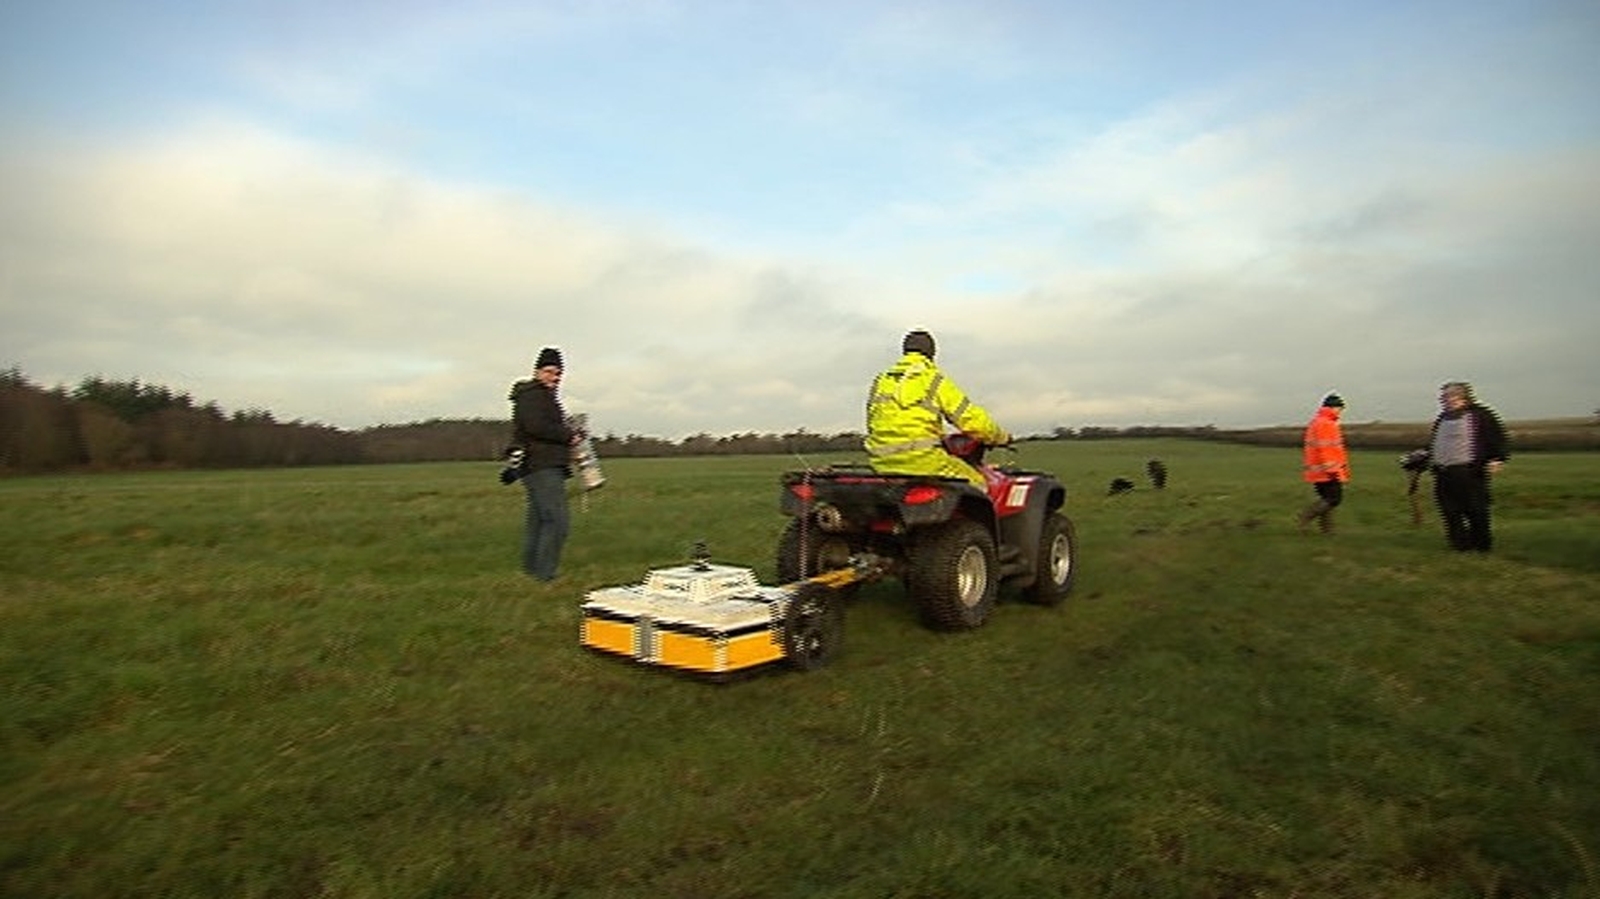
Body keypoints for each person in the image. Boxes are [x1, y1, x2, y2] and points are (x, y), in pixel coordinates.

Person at [864, 329, 1009, 487]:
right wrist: (1001, 437)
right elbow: (972, 420)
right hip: (924, 462)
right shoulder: (933, 379)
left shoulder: (881, 381)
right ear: (932, 353)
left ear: (904, 351)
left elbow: (872, 421)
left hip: (881, 465)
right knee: (980, 484)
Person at [509, 346, 578, 581]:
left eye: (558, 373)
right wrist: (568, 435)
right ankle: (546, 574)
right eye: (549, 372)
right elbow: (536, 426)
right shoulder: (533, 396)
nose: (554, 378)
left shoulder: (541, 396)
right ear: (537, 371)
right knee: (557, 521)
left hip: (538, 465)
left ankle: (532, 571)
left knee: (539, 521)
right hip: (541, 466)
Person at [1428, 381, 1509, 552]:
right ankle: (1460, 546)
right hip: (1444, 473)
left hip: (1470, 472)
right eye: (1443, 397)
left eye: (1449, 396)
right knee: (1450, 511)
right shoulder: (1442, 418)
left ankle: (1481, 546)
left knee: (1476, 510)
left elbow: (1498, 437)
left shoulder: (1481, 415)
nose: (1445, 400)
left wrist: (1498, 458)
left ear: (1463, 396)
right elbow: (1437, 443)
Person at [1298, 393, 1349, 534]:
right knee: (1334, 499)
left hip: (1320, 470)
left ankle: (1327, 531)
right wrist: (1332, 470)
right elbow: (1325, 449)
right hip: (1327, 470)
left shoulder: (1319, 422)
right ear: (1332, 407)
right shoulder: (1325, 424)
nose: (1340, 412)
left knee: (1326, 499)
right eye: (1339, 408)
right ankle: (1306, 517)